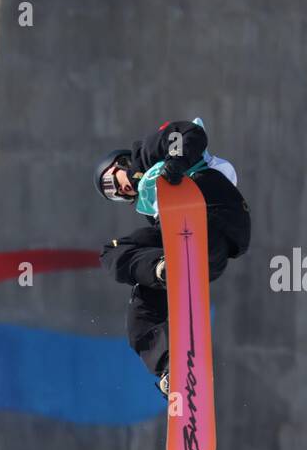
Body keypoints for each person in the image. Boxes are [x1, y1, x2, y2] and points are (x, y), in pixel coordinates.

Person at [96, 118, 250, 396]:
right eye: (113, 196)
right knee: (141, 307)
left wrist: (176, 163)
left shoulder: (147, 152)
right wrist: (158, 269)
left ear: (120, 162)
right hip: (208, 254)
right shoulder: (148, 207)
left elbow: (189, 133)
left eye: (110, 183)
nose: (119, 192)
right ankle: (170, 367)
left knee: (112, 250)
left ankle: (166, 266)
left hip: (213, 209)